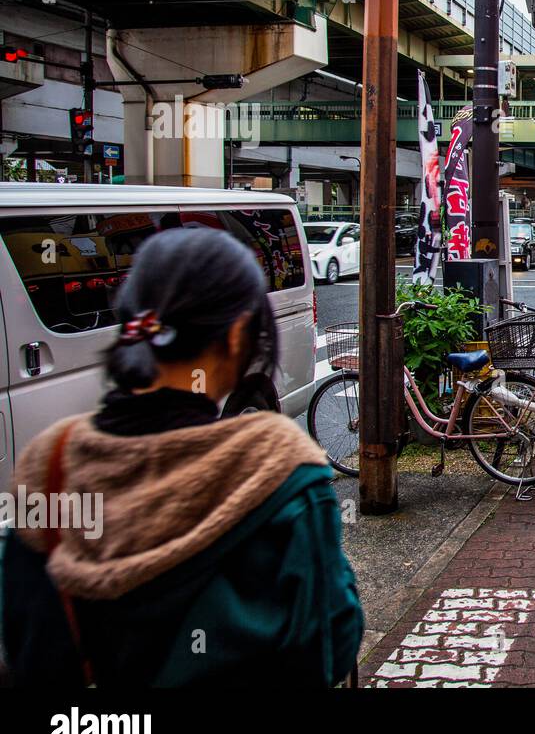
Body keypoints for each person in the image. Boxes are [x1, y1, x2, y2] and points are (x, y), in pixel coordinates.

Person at [0, 227, 363, 687]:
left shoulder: (53, 464)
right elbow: (330, 641)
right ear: (238, 334)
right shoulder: (277, 464)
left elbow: (32, 649)